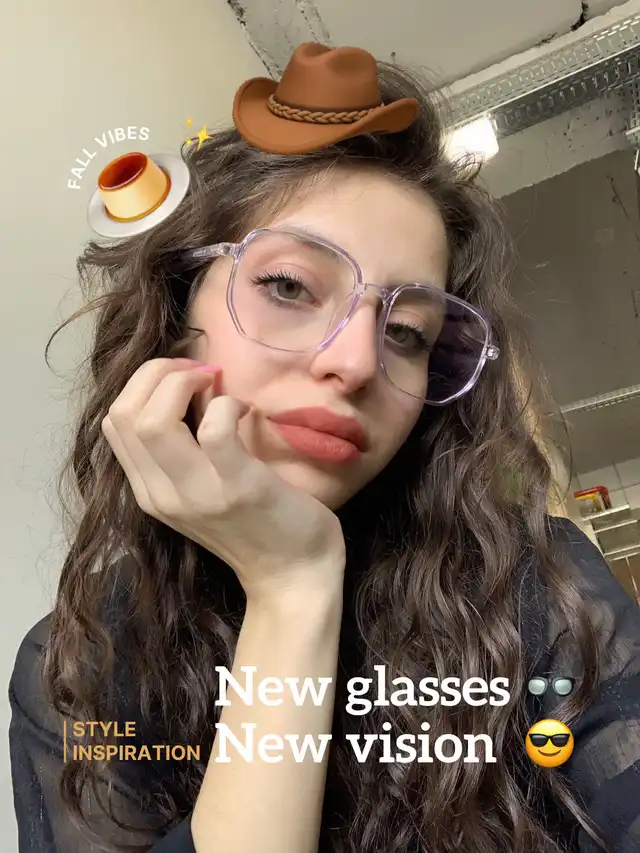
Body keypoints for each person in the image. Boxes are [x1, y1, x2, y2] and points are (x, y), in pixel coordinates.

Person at [8, 42, 640, 853]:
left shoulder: (536, 588)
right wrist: (291, 588)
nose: (357, 361)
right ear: (172, 312)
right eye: (288, 286)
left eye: (407, 332)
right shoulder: (81, 665)